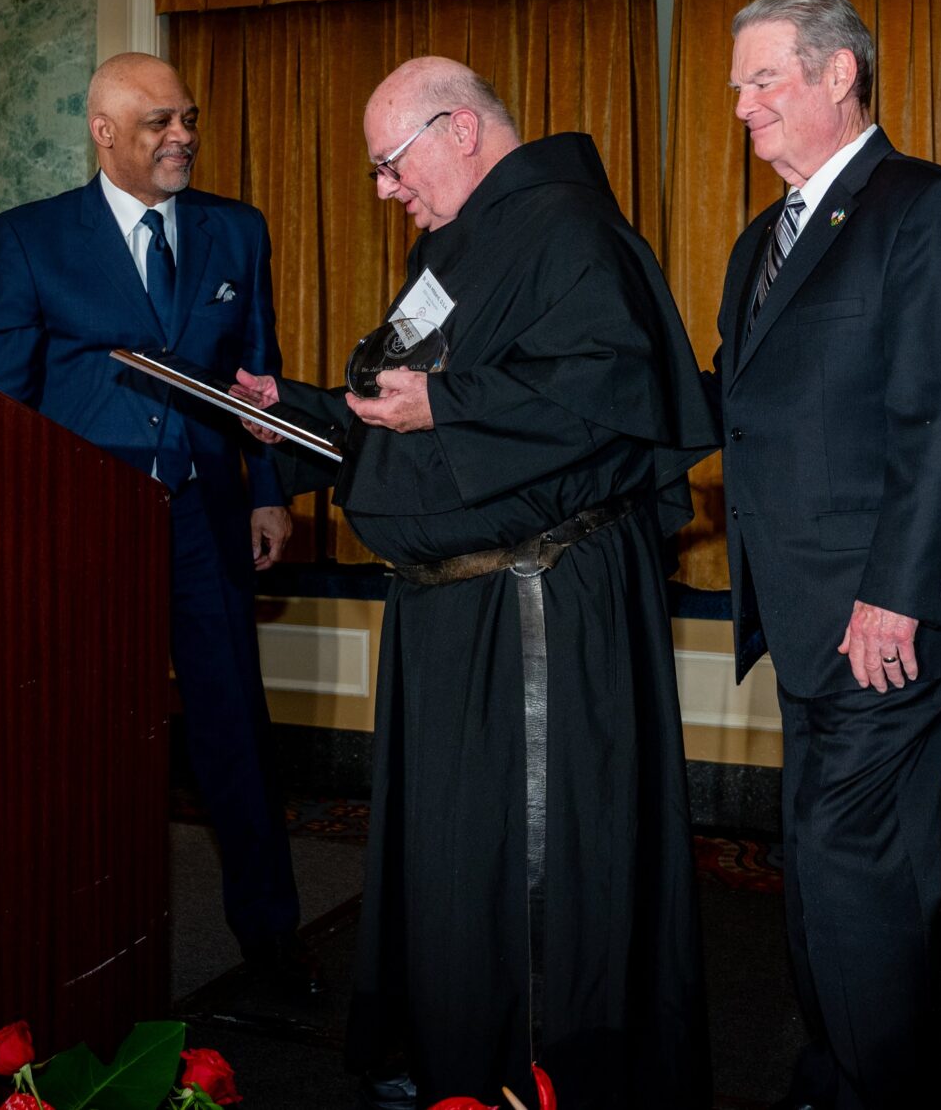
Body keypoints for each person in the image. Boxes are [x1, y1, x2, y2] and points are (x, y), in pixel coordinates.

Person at [231, 57, 715, 1109]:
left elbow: (603, 394)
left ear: (457, 129)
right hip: (454, 610)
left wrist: (445, 407)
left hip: (537, 605)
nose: (383, 191)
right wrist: (301, 409)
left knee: (524, 869)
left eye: (389, 164)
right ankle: (449, 1057)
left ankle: (527, 1075)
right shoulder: (458, 245)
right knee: (450, 855)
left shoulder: (570, 233)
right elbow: (397, 405)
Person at [710, 0, 941, 1110]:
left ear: (837, 74)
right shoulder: (763, 236)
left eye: (762, 80)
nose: (739, 103)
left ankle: (870, 1086)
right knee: (841, 865)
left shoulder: (923, 207)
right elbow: (740, 409)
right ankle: (835, 1069)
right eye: (738, 83)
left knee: (841, 859)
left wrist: (894, 595)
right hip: (800, 613)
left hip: (878, 616)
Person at [0, 51, 305, 978]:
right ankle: (70, 939)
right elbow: (3, 401)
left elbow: (258, 377)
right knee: (81, 737)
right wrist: (15, 525)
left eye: (188, 118)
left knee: (235, 728)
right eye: (159, 122)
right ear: (104, 131)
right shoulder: (31, 238)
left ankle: (273, 939)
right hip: (83, 530)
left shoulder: (236, 231)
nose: (183, 137)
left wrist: (269, 491)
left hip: (207, 520)